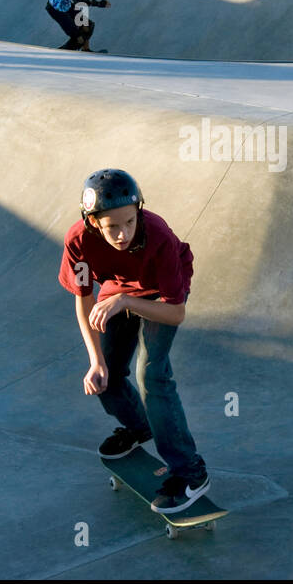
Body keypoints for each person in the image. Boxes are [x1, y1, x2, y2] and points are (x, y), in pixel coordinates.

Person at [60, 168, 208, 513]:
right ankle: (139, 428)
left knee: (152, 376)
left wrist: (126, 302)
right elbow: (83, 299)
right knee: (108, 375)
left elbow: (176, 313)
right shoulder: (78, 241)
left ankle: (191, 473)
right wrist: (95, 360)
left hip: (160, 298)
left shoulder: (158, 236)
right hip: (119, 292)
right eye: (112, 226)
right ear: (94, 222)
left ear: (138, 212)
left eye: (129, 221)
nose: (123, 233)